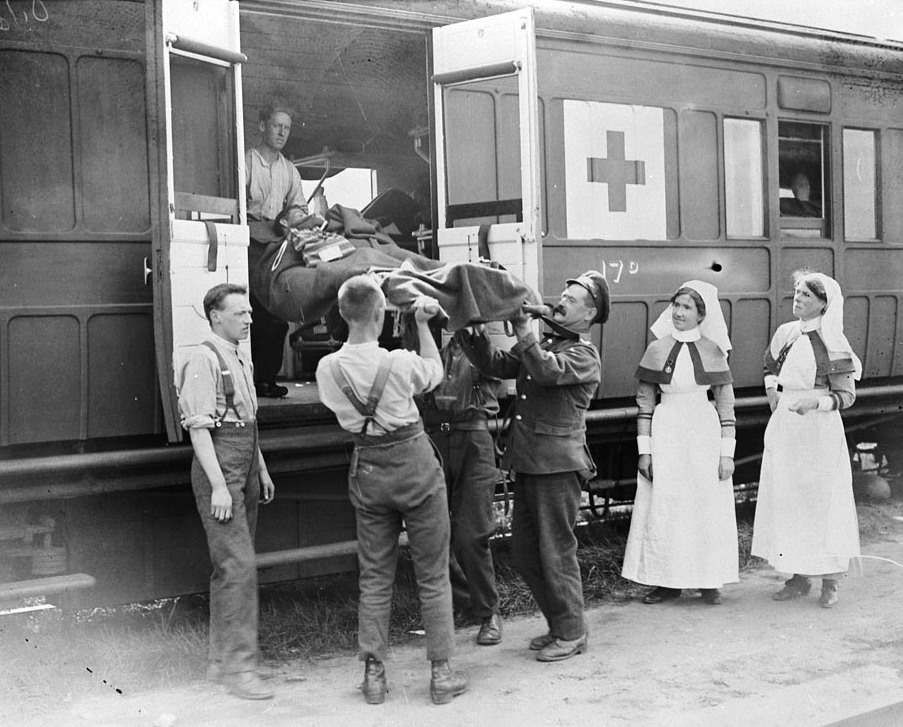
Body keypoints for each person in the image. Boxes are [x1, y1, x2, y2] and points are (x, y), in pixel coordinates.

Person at [315, 275, 468, 706]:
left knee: (375, 576)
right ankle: (441, 673)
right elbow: (435, 373)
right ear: (380, 314)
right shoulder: (400, 362)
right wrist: (422, 326)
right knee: (433, 575)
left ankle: (374, 675)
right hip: (415, 466)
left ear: (344, 314)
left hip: (369, 472)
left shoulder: (328, 369)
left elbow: (340, 410)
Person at [458, 271, 608, 663]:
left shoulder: (583, 354)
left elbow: (544, 370)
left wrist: (524, 329)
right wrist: (467, 327)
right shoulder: (547, 343)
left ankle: (572, 631)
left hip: (557, 466)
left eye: (572, 300)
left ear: (589, 314)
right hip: (530, 462)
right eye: (564, 294)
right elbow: (497, 363)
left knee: (555, 551)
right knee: (525, 552)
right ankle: (561, 624)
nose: (561, 301)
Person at [178, 283, 276, 700]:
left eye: (250, 313)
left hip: (245, 463)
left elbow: (247, 422)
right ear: (216, 316)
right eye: (240, 314)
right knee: (238, 566)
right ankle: (240, 670)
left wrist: (262, 469)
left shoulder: (240, 357)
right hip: (220, 468)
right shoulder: (203, 358)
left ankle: (221, 664)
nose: (249, 320)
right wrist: (219, 485)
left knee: (229, 568)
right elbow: (199, 428)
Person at [621, 281, 738, 605]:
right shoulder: (657, 349)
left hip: (702, 431)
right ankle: (666, 582)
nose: (678, 312)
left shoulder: (713, 351)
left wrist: (726, 453)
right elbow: (645, 403)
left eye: (687, 307)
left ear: (702, 315)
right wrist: (645, 451)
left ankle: (708, 580)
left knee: (703, 505)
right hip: (667, 430)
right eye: (676, 305)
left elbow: (726, 406)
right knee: (667, 505)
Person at [751, 270, 862, 608]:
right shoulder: (785, 333)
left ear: (824, 304)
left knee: (821, 501)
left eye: (806, 296)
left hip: (819, 431)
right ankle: (797, 576)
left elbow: (845, 395)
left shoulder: (835, 342)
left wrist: (815, 402)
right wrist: (772, 391)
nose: (797, 299)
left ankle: (830, 582)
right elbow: (769, 367)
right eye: (797, 293)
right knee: (790, 499)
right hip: (786, 426)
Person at [421, 334, 504, 646]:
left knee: (471, 534)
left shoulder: (482, 341)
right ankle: (464, 603)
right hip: (434, 437)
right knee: (433, 531)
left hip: (474, 438)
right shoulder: (424, 336)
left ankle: (488, 612)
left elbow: (496, 364)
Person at [245, 102, 307, 398]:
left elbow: (298, 207)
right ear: (262, 126)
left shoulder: (289, 170)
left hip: (276, 243)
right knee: (258, 314)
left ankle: (266, 379)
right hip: (248, 243)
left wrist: (294, 220)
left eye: (287, 128)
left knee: (278, 315)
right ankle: (254, 381)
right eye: (276, 126)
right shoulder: (246, 162)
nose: (282, 132)